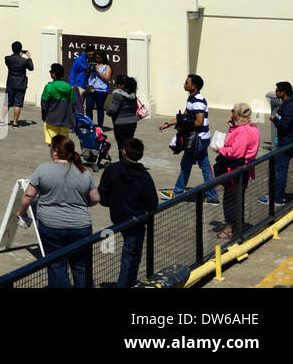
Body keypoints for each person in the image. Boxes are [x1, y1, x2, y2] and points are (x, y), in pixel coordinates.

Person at [16, 136, 99, 287]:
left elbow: (28, 195)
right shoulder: (84, 172)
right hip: (81, 226)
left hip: (52, 226)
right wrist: (79, 204)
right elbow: (95, 198)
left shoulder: (43, 169)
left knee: (57, 267)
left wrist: (21, 213)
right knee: (81, 267)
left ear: (55, 151)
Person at [96, 137, 158, 286]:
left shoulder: (111, 169)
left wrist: (111, 202)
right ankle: (126, 283)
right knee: (131, 254)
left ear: (123, 152)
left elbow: (102, 195)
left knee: (130, 254)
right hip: (136, 220)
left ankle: (126, 282)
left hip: (117, 216)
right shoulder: (144, 176)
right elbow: (152, 203)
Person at [158, 73, 218, 203]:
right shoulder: (192, 98)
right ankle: (212, 196)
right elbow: (184, 116)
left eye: (187, 82)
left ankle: (177, 192)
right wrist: (168, 124)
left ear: (194, 86)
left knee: (186, 164)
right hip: (201, 138)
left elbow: (198, 122)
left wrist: (183, 128)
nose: (184, 84)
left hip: (199, 139)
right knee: (205, 166)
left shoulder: (197, 100)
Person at [213, 104, 259, 240]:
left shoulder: (242, 131)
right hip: (245, 169)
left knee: (230, 200)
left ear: (238, 115)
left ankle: (229, 229)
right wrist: (232, 127)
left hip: (236, 170)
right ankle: (237, 226)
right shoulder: (252, 128)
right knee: (238, 198)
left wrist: (220, 150)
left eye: (233, 111)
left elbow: (235, 152)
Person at [266, 81, 293, 206]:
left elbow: (284, 126)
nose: (276, 92)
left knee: (280, 171)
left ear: (283, 92)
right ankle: (277, 195)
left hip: (287, 144)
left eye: (278, 90)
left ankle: (277, 198)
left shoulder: (288, 107)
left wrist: (275, 120)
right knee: (280, 170)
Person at [40, 63, 76, 146]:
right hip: (65, 121)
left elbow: (44, 104)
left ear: (54, 74)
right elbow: (73, 103)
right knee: (63, 144)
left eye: (50, 71)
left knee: (53, 144)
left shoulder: (49, 87)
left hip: (52, 120)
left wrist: (44, 117)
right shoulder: (69, 87)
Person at [104, 75, 140, 153]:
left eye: (117, 84)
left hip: (121, 124)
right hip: (132, 123)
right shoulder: (133, 95)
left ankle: (123, 163)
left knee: (121, 146)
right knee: (129, 144)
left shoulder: (118, 95)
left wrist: (108, 111)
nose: (116, 85)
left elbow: (112, 110)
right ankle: (130, 161)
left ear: (122, 85)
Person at [3, 42, 32, 128]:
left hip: (10, 83)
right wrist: (28, 57)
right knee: (18, 104)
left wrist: (18, 55)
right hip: (21, 84)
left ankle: (2, 121)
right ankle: (15, 122)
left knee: (6, 103)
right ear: (20, 50)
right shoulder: (24, 61)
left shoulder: (8, 59)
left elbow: (11, 60)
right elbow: (31, 67)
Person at [85, 54, 113, 126]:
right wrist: (89, 69)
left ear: (102, 58)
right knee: (88, 107)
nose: (97, 59)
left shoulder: (106, 66)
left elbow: (107, 78)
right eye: (96, 57)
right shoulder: (93, 64)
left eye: (99, 58)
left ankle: (100, 126)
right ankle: (90, 124)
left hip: (101, 90)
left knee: (100, 108)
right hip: (91, 89)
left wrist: (98, 71)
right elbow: (87, 76)